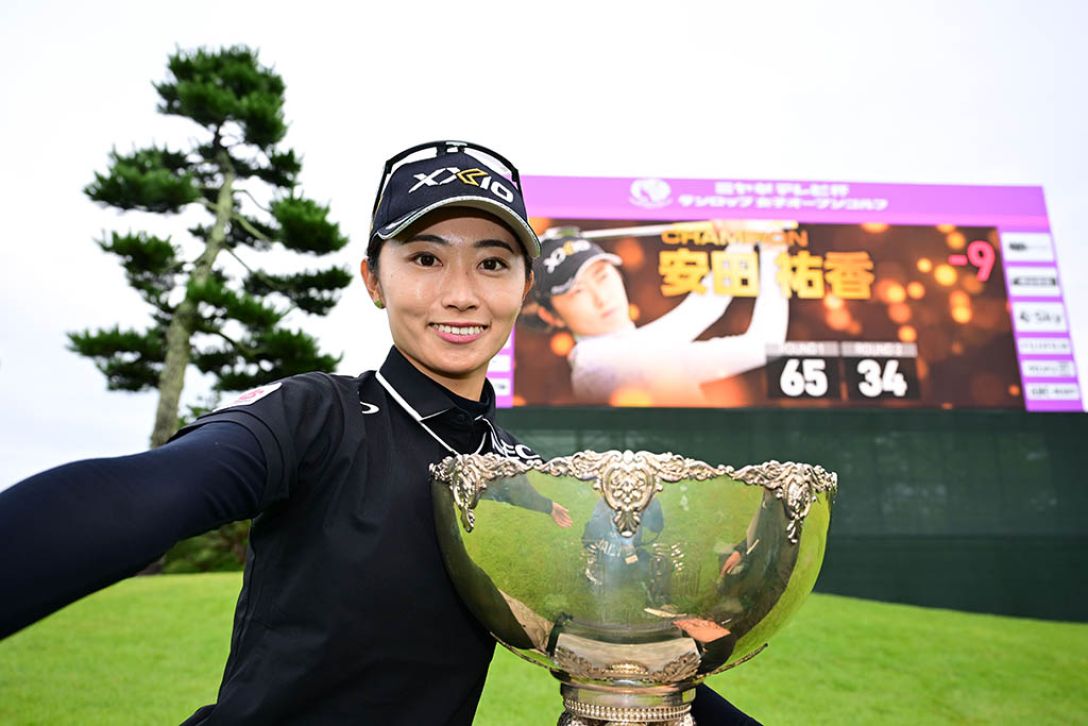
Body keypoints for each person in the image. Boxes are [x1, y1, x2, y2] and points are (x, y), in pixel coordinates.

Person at [0, 140, 756, 724]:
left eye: (492, 263)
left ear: (524, 291)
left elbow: (627, 655)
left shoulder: (519, 482)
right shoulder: (315, 416)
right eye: (425, 257)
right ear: (373, 278)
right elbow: (151, 493)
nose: (460, 294)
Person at [532, 231, 789, 406]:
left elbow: (764, 345)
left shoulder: (658, 357)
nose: (601, 297)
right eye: (577, 292)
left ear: (618, 275)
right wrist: (744, 238)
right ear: (550, 315)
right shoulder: (594, 366)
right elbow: (703, 309)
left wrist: (771, 247)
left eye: (602, 277)